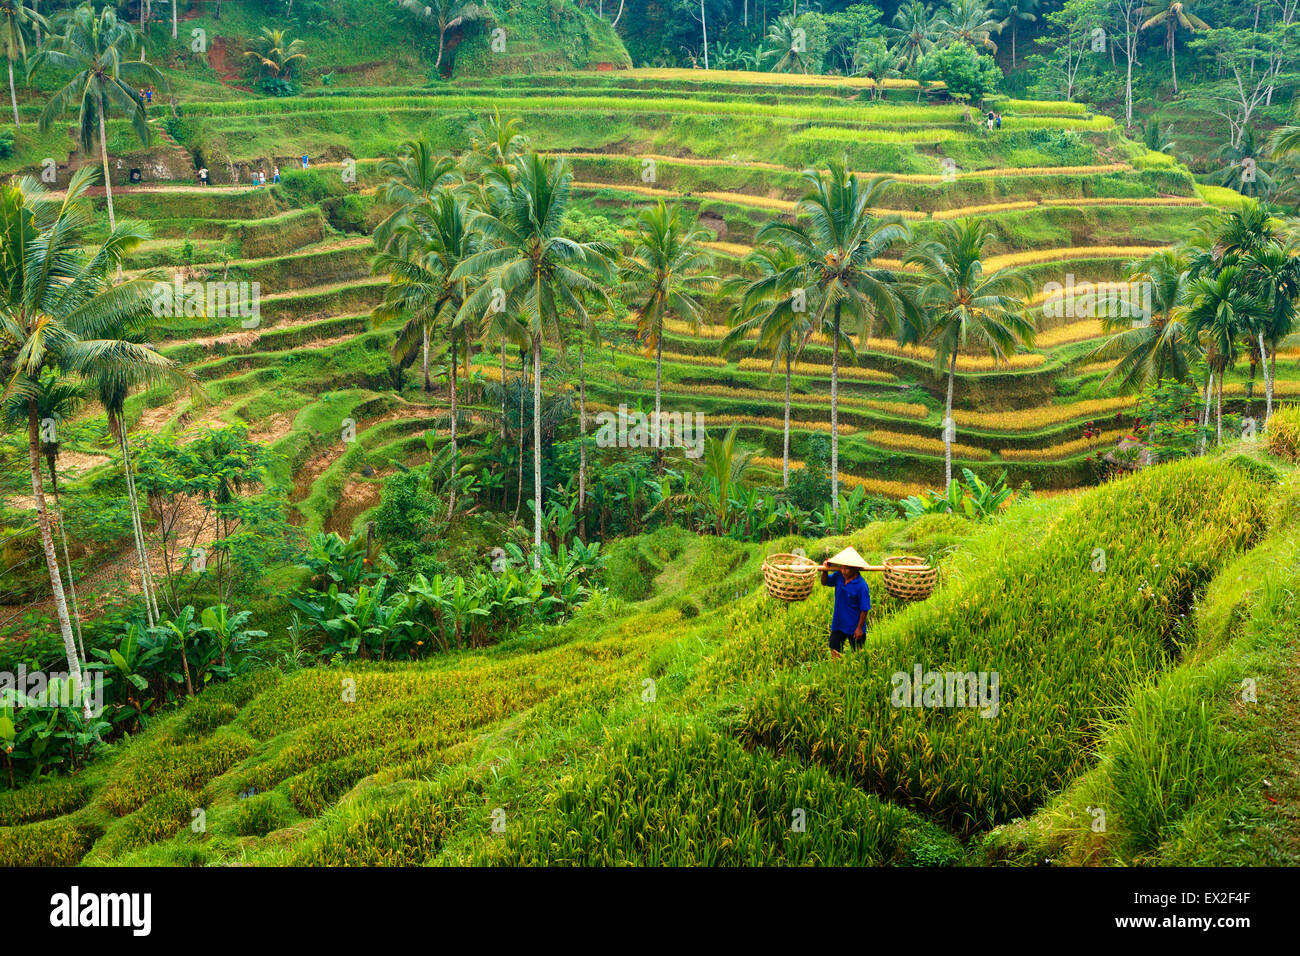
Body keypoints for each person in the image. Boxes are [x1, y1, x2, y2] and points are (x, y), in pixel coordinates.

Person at [819, 547, 872, 658]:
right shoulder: (839, 576)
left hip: (854, 626)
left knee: (858, 656)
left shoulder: (861, 585)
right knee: (835, 652)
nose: (843, 571)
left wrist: (859, 628)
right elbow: (825, 582)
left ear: (855, 568)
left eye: (847, 569)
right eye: (842, 568)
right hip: (838, 624)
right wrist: (825, 570)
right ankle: (837, 672)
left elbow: (865, 608)